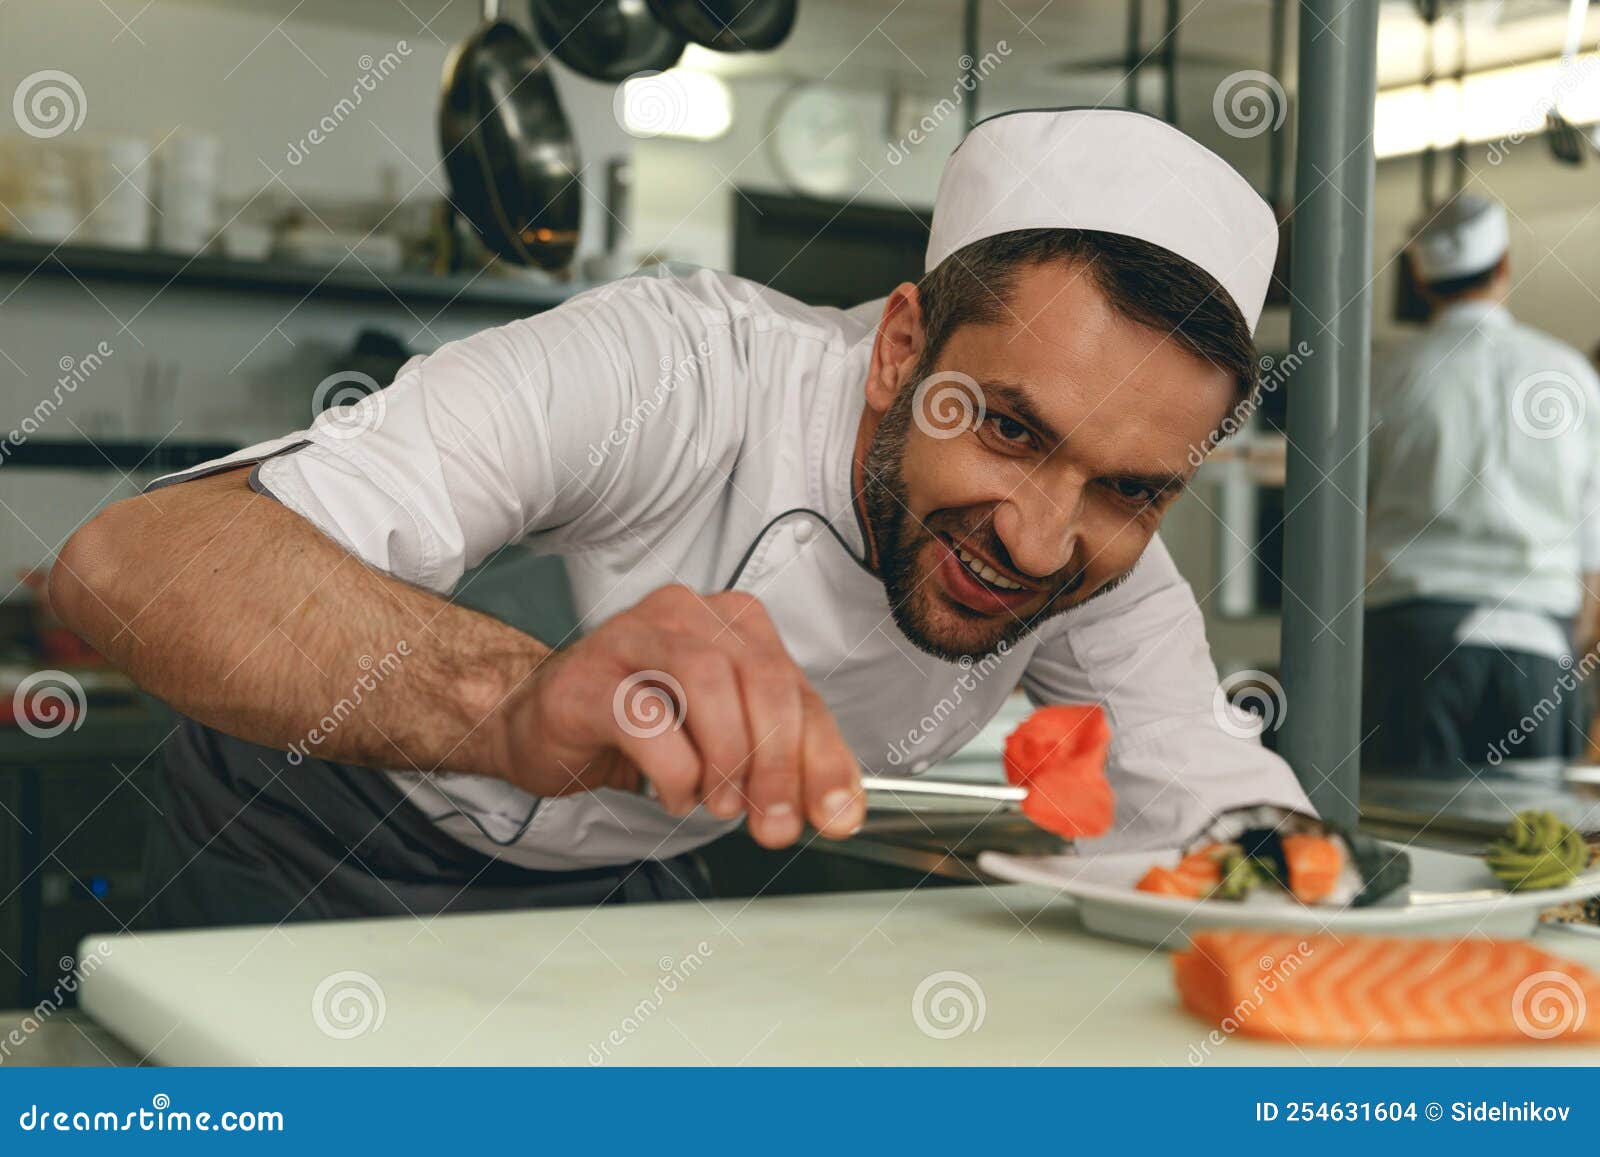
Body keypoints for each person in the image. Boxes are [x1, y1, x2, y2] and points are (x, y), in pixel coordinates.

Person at [51, 108, 1311, 928]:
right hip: (302, 840)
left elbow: (1214, 807)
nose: (1039, 539)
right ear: (901, 349)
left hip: (614, 890)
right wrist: (513, 704)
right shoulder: (679, 370)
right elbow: (134, 562)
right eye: (1009, 429)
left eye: (1129, 486)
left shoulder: (1102, 567)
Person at [1364, 193, 1600, 771]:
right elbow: (1593, 542)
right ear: (1503, 267)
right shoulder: (1570, 374)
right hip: (1540, 641)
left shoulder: (1386, 376)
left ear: (1419, 283)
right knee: (1538, 846)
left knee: (1409, 836)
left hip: (1414, 637)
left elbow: (1340, 513)